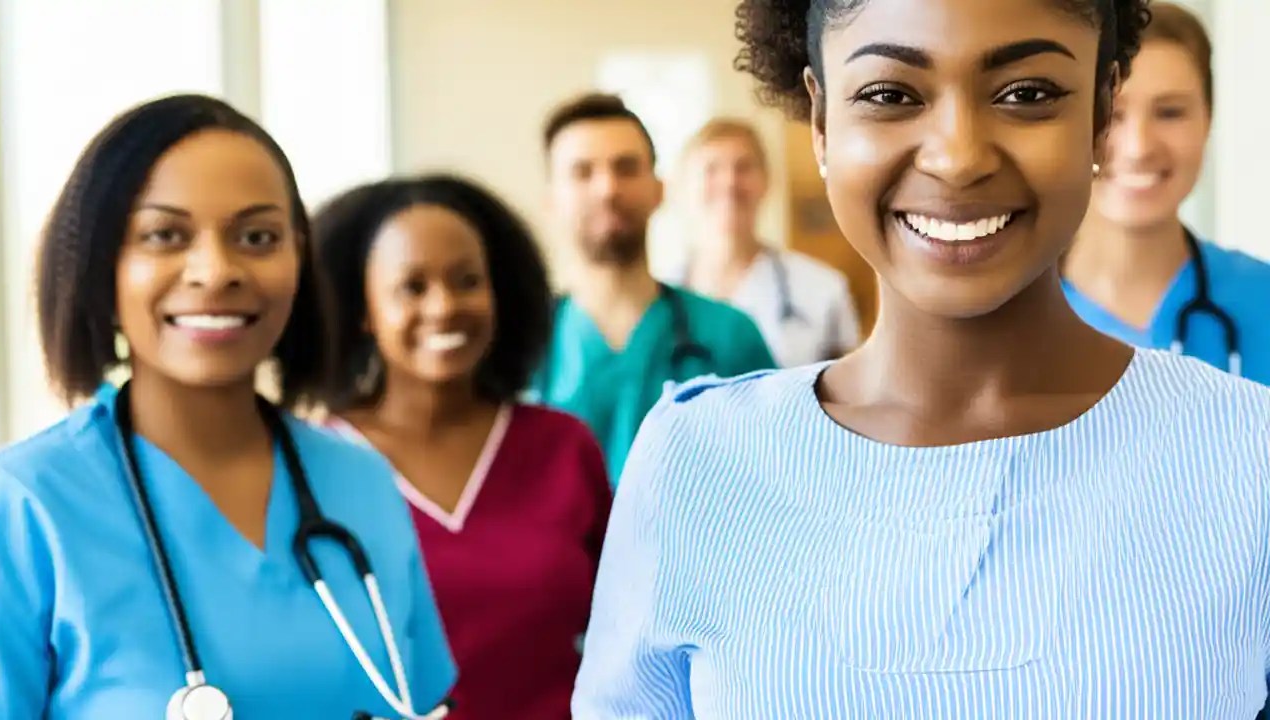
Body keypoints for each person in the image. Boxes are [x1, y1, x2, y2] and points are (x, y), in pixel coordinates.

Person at [574, 0, 1270, 717]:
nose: (958, 155)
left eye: (1026, 94)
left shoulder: (1251, 460)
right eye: (889, 95)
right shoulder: (695, 462)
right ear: (820, 122)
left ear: (1100, 110)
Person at [0, 94, 456, 720]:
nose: (216, 270)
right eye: (165, 236)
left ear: (298, 258)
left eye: (257, 236)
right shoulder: (25, 506)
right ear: (101, 265)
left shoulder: (361, 481)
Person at [311, 173, 613, 720]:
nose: (445, 306)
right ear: (363, 309)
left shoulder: (563, 447)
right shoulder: (314, 465)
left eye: (467, 280)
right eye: (413, 287)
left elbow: (631, 634)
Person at [530, 93, 777, 485]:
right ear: (550, 199)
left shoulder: (730, 335)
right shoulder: (520, 349)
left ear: (658, 190)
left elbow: (776, 481)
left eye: (626, 168)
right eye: (582, 172)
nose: (607, 188)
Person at [1064, 2, 1270, 385]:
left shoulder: (1263, 299)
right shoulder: (1008, 314)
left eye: (1170, 112)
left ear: (1209, 120)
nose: (1139, 147)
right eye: (1112, 113)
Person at [666, 118, 862, 367]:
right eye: (711, 169)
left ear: (767, 181)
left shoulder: (823, 289)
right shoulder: (658, 298)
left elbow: (850, 392)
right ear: (684, 185)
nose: (729, 183)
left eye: (743, 167)